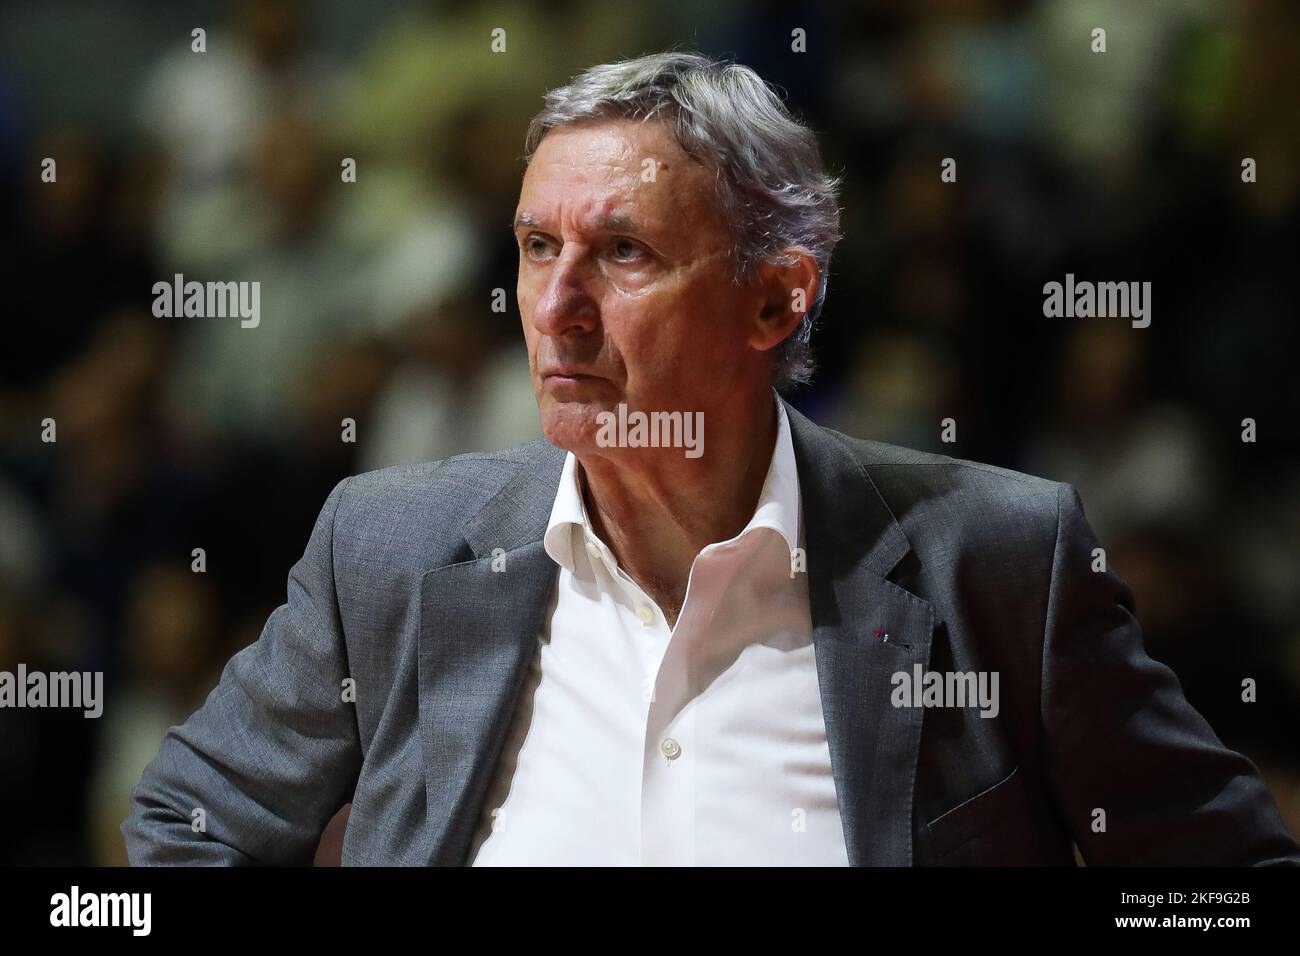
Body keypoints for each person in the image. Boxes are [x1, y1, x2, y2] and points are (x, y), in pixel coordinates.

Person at [124, 51, 1300, 866]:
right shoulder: (388, 549)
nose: (558, 308)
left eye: (623, 252)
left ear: (775, 297)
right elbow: (184, 824)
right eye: (538, 247)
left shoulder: (999, 560)